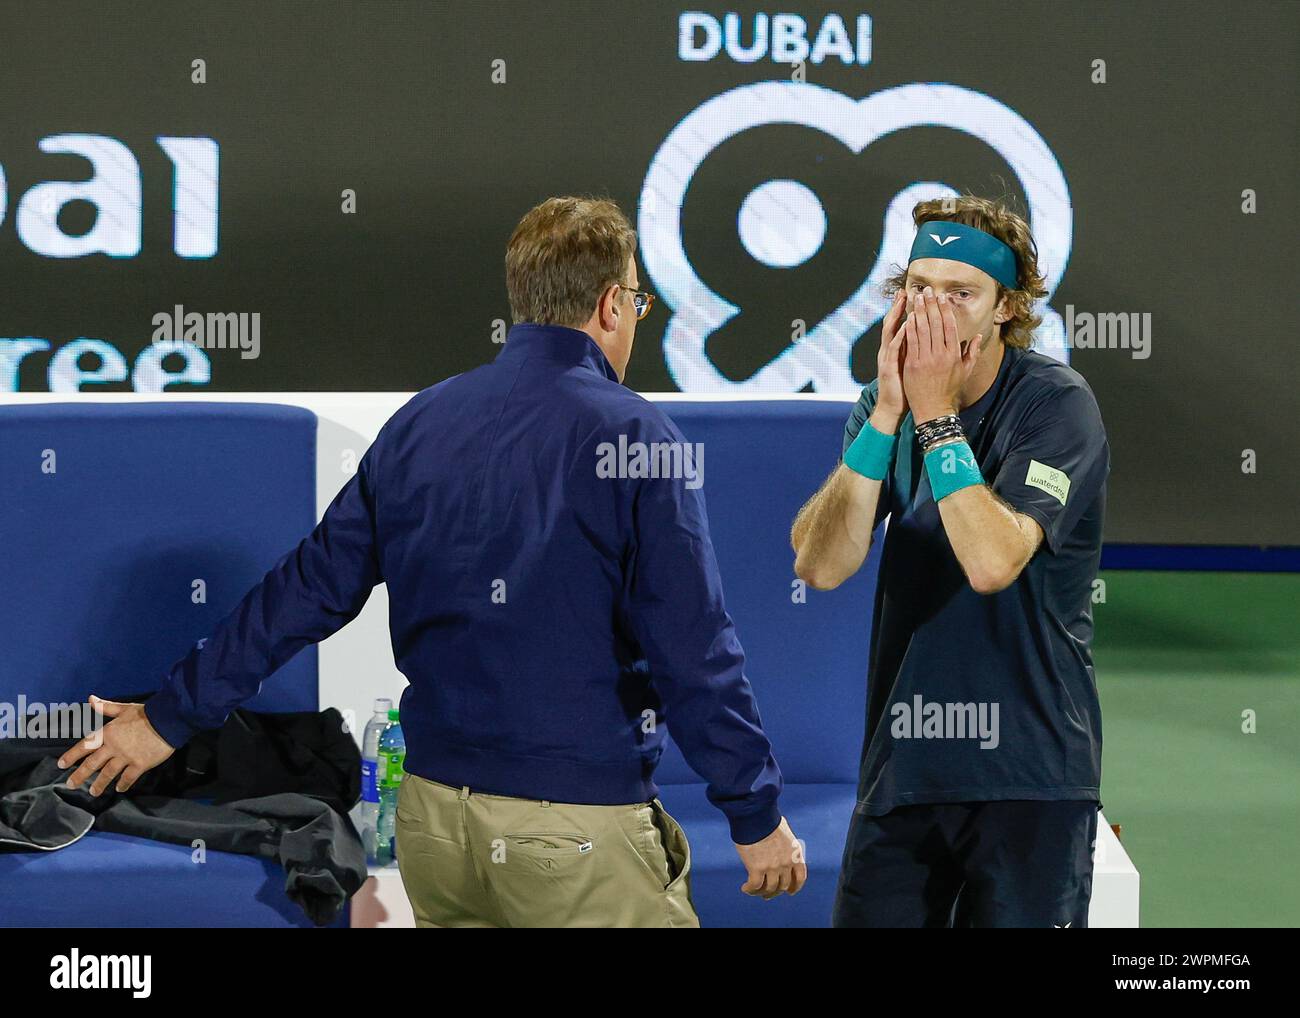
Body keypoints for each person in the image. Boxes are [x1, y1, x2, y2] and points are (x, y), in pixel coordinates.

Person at [57, 195, 805, 928]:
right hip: (576, 838)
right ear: (612, 305)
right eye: (638, 306)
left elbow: (304, 591)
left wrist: (167, 717)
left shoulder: (421, 422)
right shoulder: (638, 436)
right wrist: (756, 812)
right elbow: (695, 651)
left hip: (435, 827)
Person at [791, 196, 1109, 928]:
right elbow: (820, 565)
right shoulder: (882, 404)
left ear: (1006, 308)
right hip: (905, 767)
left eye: (960, 294)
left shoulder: (1057, 406)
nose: (930, 311)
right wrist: (885, 419)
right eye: (918, 288)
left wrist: (935, 419)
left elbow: (993, 561)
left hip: (1030, 777)